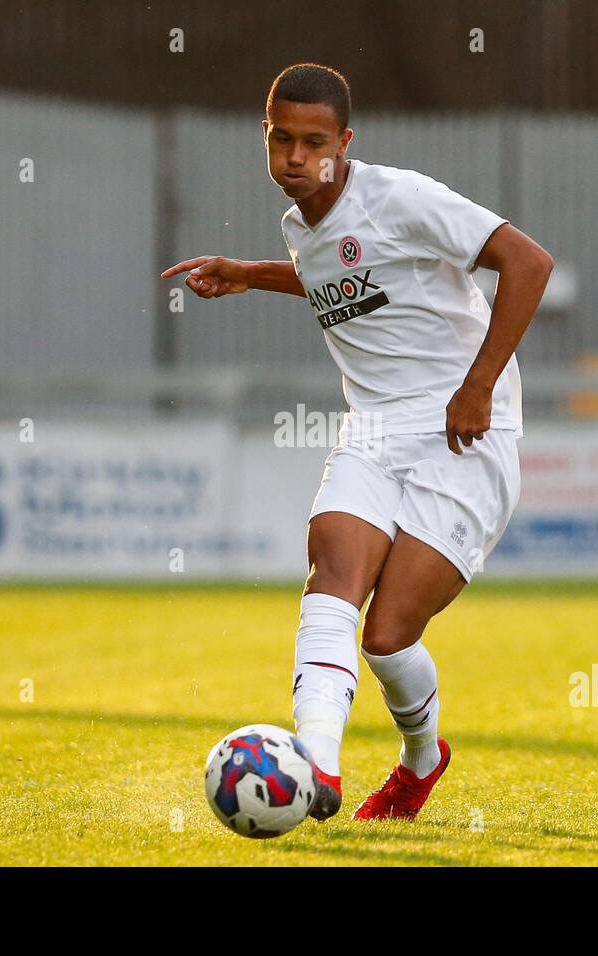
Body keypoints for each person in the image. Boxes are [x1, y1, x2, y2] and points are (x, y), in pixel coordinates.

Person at [162, 63, 553, 821]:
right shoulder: (298, 221)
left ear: (345, 142)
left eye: (314, 142)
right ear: (266, 136)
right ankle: (318, 768)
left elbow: (528, 263)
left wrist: (476, 387)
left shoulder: (403, 198)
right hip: (372, 427)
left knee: (387, 636)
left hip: (465, 430)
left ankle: (420, 759)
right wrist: (250, 273)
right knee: (331, 572)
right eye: (281, 139)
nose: (296, 158)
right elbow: (341, 271)